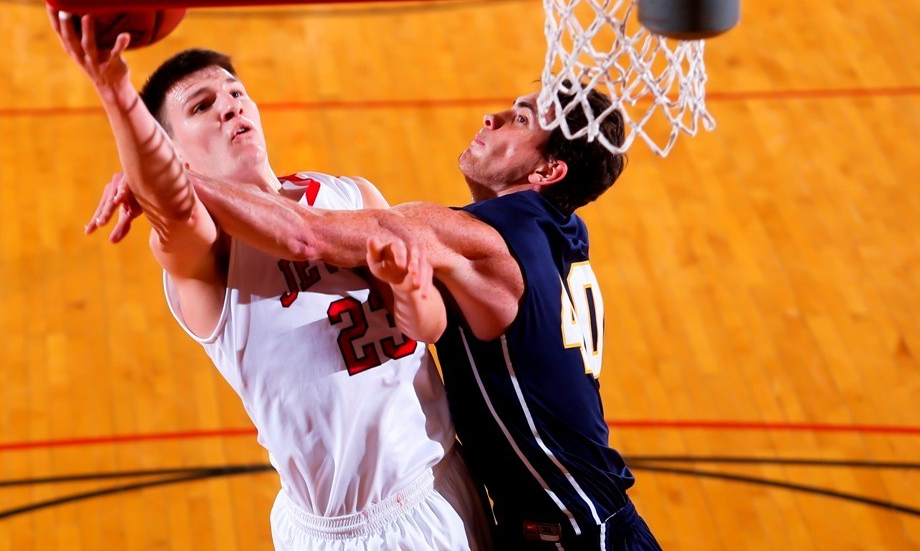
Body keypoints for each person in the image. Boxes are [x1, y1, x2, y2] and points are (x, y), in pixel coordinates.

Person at [97, 84, 664, 550]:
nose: (491, 116)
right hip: (554, 519)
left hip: (576, 532)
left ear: (548, 172)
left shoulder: (492, 239)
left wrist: (171, 177)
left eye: (518, 119)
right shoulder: (559, 230)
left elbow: (309, 233)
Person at [47, 7, 493, 551]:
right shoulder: (207, 256)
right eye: (202, 106)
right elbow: (172, 204)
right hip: (348, 531)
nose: (229, 108)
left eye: (236, 94)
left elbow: (426, 329)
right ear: (173, 150)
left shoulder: (348, 195)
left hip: (439, 487)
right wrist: (114, 88)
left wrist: (411, 287)